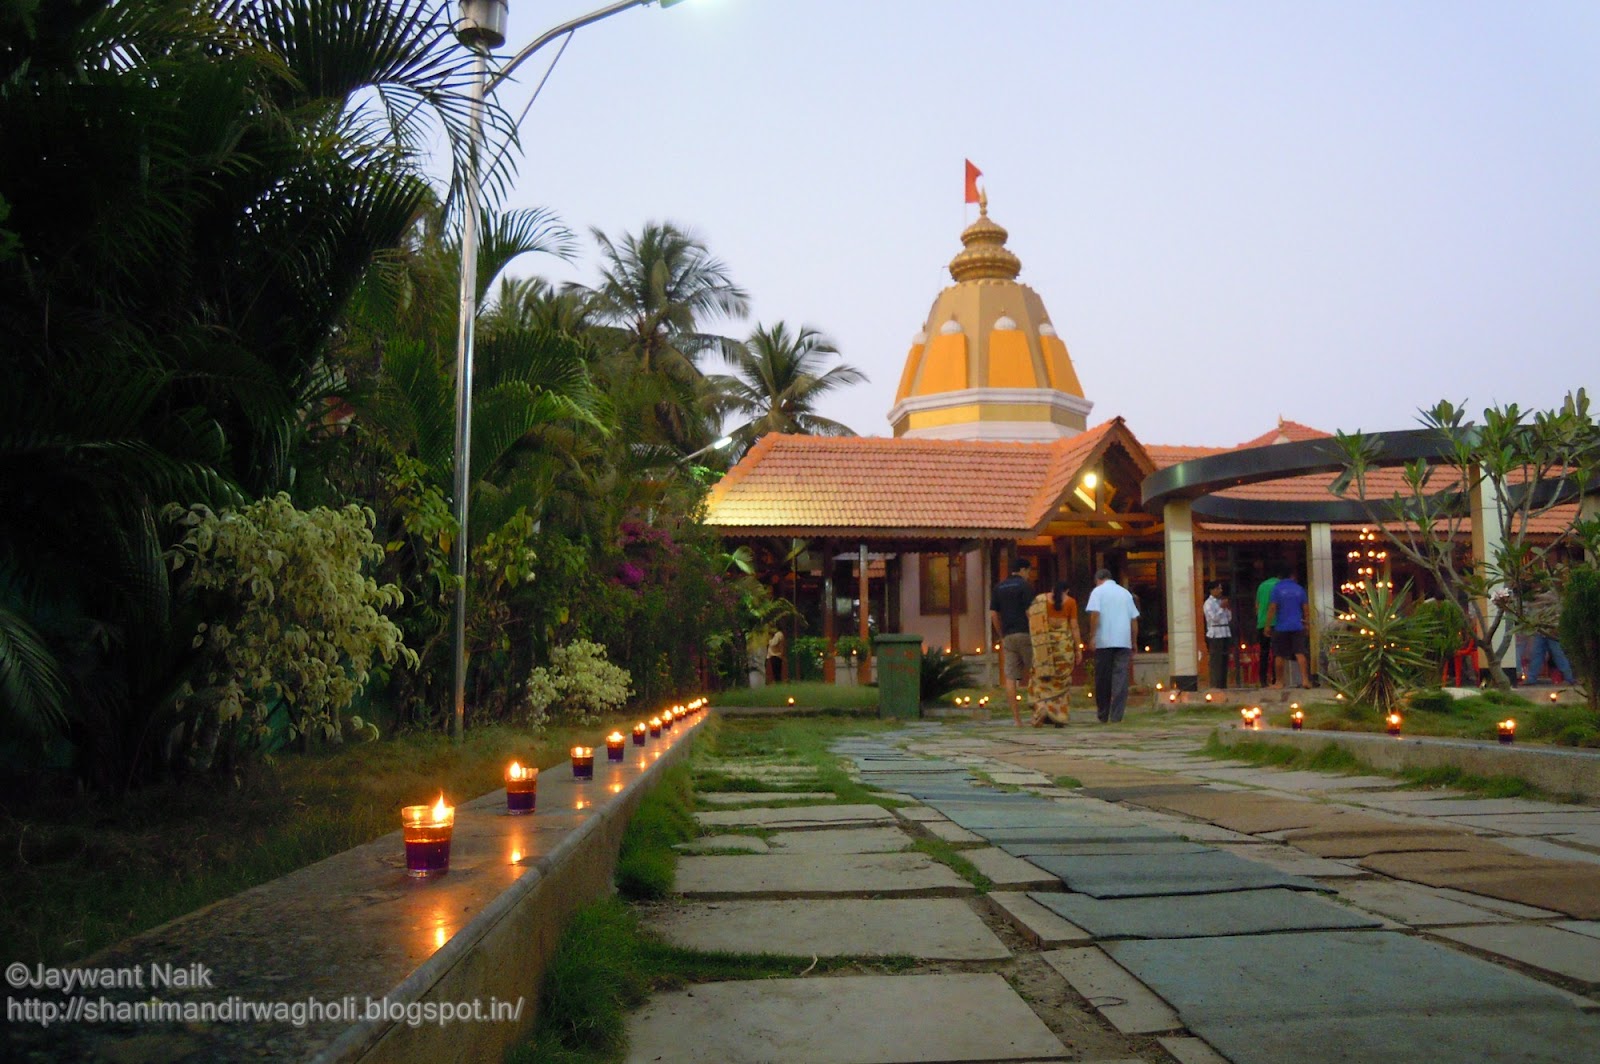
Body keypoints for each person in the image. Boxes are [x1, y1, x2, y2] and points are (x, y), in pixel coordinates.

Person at [1086, 568, 1139, 723]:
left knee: (1102, 678)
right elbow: (1133, 620)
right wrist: (1134, 640)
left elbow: (1095, 615)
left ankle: (1103, 713)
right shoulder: (1125, 593)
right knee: (1121, 678)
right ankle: (1117, 715)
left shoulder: (1098, 592)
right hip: (1123, 641)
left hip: (1104, 640)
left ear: (1098, 580)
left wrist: (1092, 636)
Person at [1027, 580, 1081, 726]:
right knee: (1061, 683)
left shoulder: (1039, 601)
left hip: (1044, 647)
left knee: (1042, 681)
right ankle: (1059, 716)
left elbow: (1030, 616)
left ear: (1051, 589)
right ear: (1067, 591)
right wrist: (1078, 649)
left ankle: (1042, 708)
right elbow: (1074, 627)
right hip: (1064, 648)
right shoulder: (1070, 602)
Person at [990, 559, 1035, 724]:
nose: (1029, 575)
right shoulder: (1025, 586)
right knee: (1035, 673)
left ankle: (1017, 719)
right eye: (1029, 571)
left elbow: (993, 614)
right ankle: (1035, 715)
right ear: (1022, 570)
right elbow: (1029, 611)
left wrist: (1001, 634)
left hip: (1008, 636)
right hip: (1025, 634)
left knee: (1010, 677)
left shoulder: (998, 587)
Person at [1266, 566, 1311, 689]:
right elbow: (1306, 609)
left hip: (1281, 627)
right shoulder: (1299, 589)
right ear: (1293, 576)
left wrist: (1268, 625)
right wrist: (1306, 624)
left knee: (1279, 655)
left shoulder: (1276, 589)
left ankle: (1280, 682)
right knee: (1300, 653)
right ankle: (1305, 680)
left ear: (1280, 577)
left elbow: (1272, 608)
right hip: (1297, 625)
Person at [1523, 583, 1574, 685]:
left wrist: (1535, 597)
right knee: (1537, 655)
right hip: (1541, 631)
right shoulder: (1536, 602)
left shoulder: (1553, 595)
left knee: (1558, 654)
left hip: (1552, 630)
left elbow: (1552, 599)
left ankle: (1569, 678)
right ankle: (1531, 679)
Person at [1203, 580, 1232, 690]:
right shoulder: (1208, 603)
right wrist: (1221, 608)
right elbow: (1214, 618)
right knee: (1217, 661)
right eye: (1218, 588)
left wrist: (1227, 608)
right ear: (1212, 590)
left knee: (1224, 660)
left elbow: (1228, 618)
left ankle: (1223, 685)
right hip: (1215, 634)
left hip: (1224, 632)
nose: (1220, 590)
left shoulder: (1220, 602)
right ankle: (1215, 685)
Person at [1255, 571, 1280, 687]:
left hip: (1262, 622)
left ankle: (1263, 680)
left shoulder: (1261, 586)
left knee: (1264, 652)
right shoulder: (1279, 584)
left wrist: (1260, 618)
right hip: (1276, 622)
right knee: (1277, 652)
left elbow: (1257, 605)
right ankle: (1276, 679)